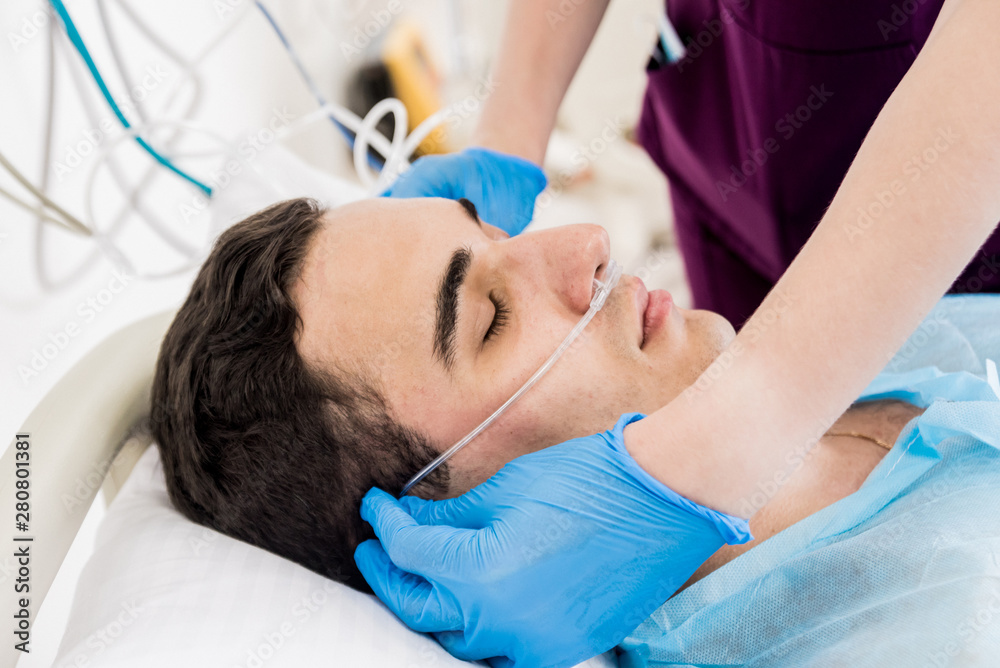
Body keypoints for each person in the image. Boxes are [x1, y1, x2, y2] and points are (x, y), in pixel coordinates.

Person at [385, 0, 1000, 330]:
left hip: (945, 238)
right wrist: (510, 136)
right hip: (721, 153)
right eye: (490, 324)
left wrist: (764, 396)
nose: (589, 253)